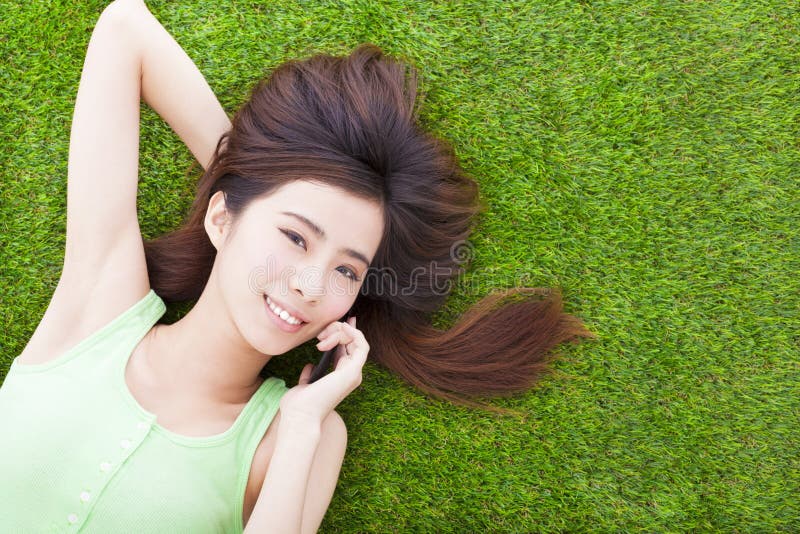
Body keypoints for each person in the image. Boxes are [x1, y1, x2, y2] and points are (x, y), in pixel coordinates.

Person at [0, 0, 592, 532]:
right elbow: (124, 29)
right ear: (220, 219)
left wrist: (304, 422)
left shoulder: (297, 435)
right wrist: (252, 180)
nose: (311, 285)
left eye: (347, 271)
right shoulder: (99, 309)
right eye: (294, 236)